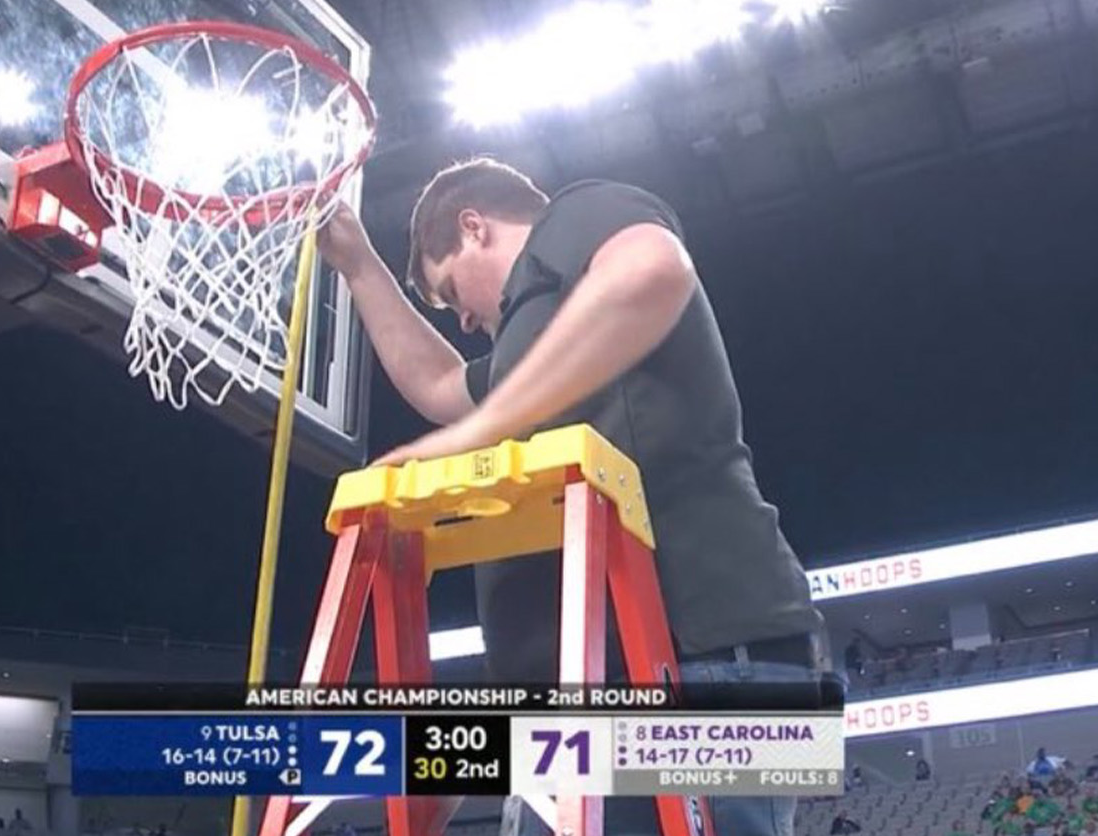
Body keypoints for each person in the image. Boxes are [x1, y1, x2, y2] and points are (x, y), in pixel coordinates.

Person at [318, 159, 827, 836]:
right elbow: (439, 385)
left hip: (706, 650)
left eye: (452, 291)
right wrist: (357, 265)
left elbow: (651, 266)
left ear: (475, 227)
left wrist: (477, 435)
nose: (463, 319)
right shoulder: (533, 352)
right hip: (610, 682)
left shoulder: (573, 218)